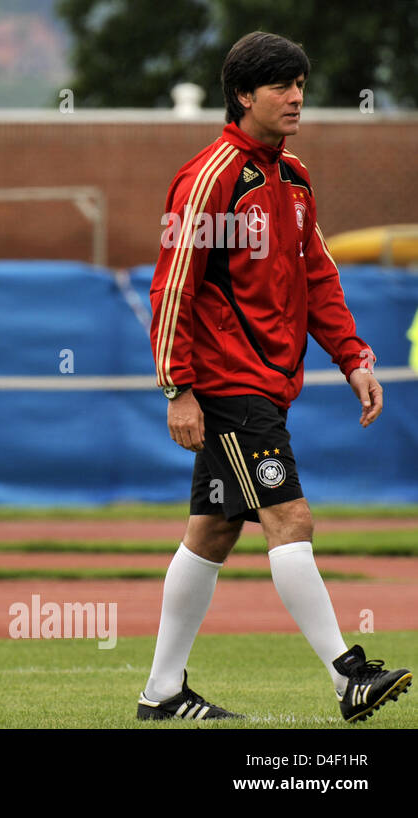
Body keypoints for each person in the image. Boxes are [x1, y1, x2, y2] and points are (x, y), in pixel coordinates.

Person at [139, 31, 411, 722]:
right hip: (229, 383)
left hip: (267, 382)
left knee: (212, 531)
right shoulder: (210, 176)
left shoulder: (294, 177)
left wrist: (352, 358)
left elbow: (317, 274)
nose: (295, 97)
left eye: (300, 85)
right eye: (281, 86)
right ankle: (348, 674)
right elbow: (172, 286)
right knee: (289, 516)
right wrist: (178, 387)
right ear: (242, 95)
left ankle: (162, 694)